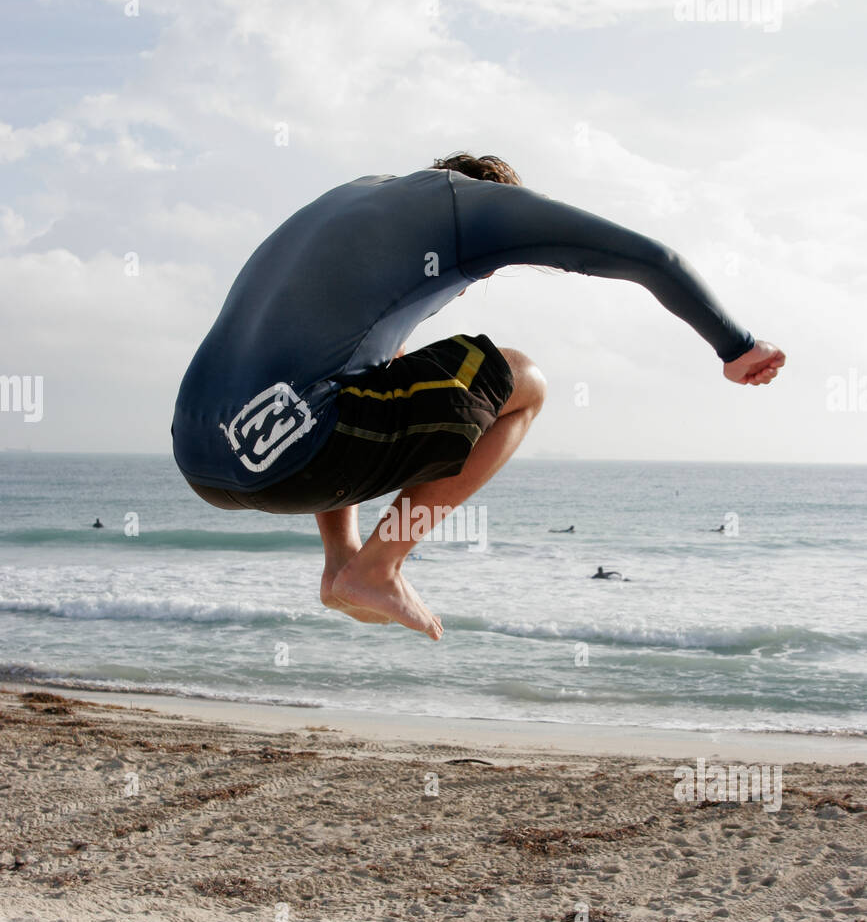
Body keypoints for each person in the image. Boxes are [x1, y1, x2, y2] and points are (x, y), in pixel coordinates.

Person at [172, 151, 785, 640]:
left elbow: (332, 371)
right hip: (294, 458)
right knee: (524, 380)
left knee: (367, 379)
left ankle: (343, 564)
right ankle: (379, 566)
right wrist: (736, 346)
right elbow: (652, 255)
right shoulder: (473, 209)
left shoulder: (352, 199)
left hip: (200, 455)